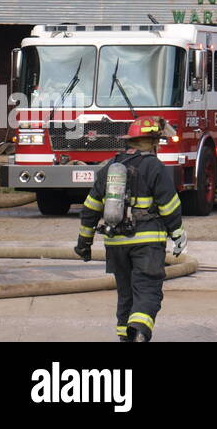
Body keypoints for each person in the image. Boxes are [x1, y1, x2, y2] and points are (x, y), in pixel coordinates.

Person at [74, 115, 187, 342]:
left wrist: (83, 244)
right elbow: (169, 205)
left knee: (125, 294)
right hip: (147, 243)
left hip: (115, 242)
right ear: (154, 141)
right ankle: (140, 331)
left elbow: (90, 208)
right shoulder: (154, 166)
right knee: (147, 289)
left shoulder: (110, 167)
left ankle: (125, 337)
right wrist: (177, 234)